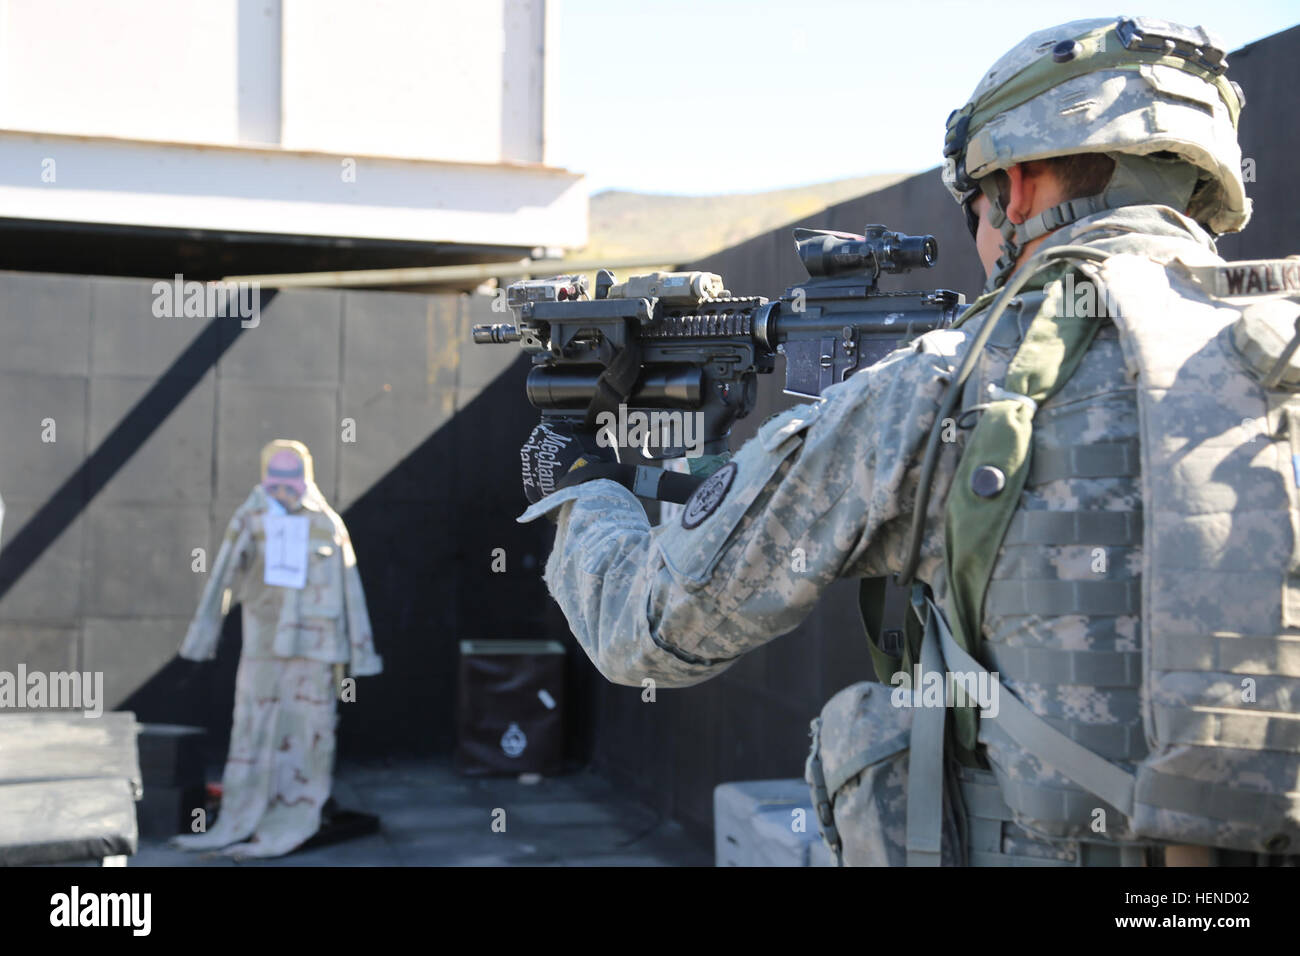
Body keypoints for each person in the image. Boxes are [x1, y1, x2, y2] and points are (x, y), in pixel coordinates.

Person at [516, 16, 1300, 867]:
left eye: (975, 205)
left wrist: (581, 486)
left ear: (1022, 184)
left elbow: (646, 628)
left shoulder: (934, 390)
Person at [171, 439, 381, 859]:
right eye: (276, 473)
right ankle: (244, 812)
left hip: (314, 653)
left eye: (293, 474)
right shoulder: (251, 518)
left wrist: (361, 654)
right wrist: (202, 637)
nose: (285, 484)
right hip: (263, 650)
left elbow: (351, 592)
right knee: (252, 729)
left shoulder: (327, 524)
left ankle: (296, 813)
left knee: (309, 735)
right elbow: (222, 577)